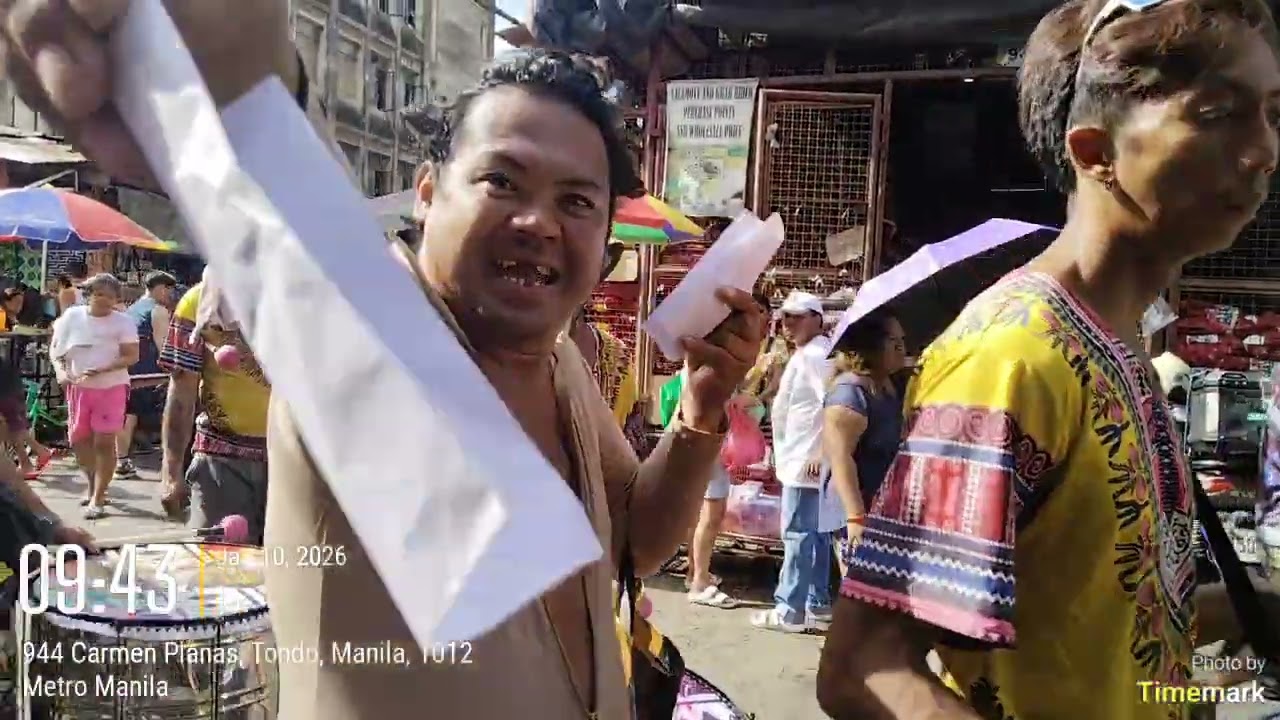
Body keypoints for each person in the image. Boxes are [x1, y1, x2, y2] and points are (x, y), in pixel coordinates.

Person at [5, 13, 768, 718]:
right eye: (503, 181)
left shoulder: (559, 362)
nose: (539, 222)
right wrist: (234, 70)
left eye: (577, 202)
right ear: (428, 195)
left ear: (604, 237)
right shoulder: (372, 342)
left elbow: (635, 539)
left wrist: (701, 412)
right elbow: (277, 193)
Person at [817, 1, 1280, 718]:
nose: (1263, 151)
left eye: (1273, 114)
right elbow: (866, 666)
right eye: (1218, 114)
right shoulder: (1011, 357)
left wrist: (1253, 610)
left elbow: (1099, 611)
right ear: (1096, 153)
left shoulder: (1127, 344)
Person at [158, 270, 270, 538]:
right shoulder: (197, 303)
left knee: (293, 569)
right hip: (220, 462)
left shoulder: (315, 302)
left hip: (296, 462)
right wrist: (171, 472)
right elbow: (182, 392)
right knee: (215, 569)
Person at [754, 290, 833, 633]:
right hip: (802, 458)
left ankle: (789, 610)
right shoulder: (811, 354)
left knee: (799, 534)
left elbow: (833, 403)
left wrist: (820, 452)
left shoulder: (815, 356)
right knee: (814, 534)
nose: (789, 325)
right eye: (785, 318)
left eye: (797, 318)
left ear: (817, 319)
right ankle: (816, 604)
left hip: (806, 460)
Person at [819, 308, 906, 575]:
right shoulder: (849, 393)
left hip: (879, 506)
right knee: (858, 590)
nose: (903, 348)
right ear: (874, 346)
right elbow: (841, 460)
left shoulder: (884, 385)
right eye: (896, 343)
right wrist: (856, 517)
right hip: (853, 511)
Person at [48, 274, 138, 519]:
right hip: (78, 388)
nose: (104, 300)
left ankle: (99, 497)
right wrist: (61, 374)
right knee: (80, 440)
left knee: (104, 442)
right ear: (89, 294)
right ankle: (91, 484)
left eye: (110, 296)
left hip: (112, 388)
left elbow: (131, 356)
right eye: (99, 294)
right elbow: (56, 352)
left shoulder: (123, 322)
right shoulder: (71, 317)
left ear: (116, 299)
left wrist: (105, 368)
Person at [115, 270, 177, 480]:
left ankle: (122, 459)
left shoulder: (131, 309)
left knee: (127, 412)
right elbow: (164, 345)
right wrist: (172, 371)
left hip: (128, 367)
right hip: (148, 370)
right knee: (156, 412)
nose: (171, 295)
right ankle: (168, 461)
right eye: (169, 290)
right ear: (160, 288)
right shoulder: (158, 310)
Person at [0, 288, 55, 480]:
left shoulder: (11, 318)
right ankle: (35, 455)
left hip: (7, 376)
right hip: (6, 376)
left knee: (11, 423)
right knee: (11, 423)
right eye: (16, 302)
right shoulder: (3, 315)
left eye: (22, 302)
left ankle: (28, 460)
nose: (20, 306)